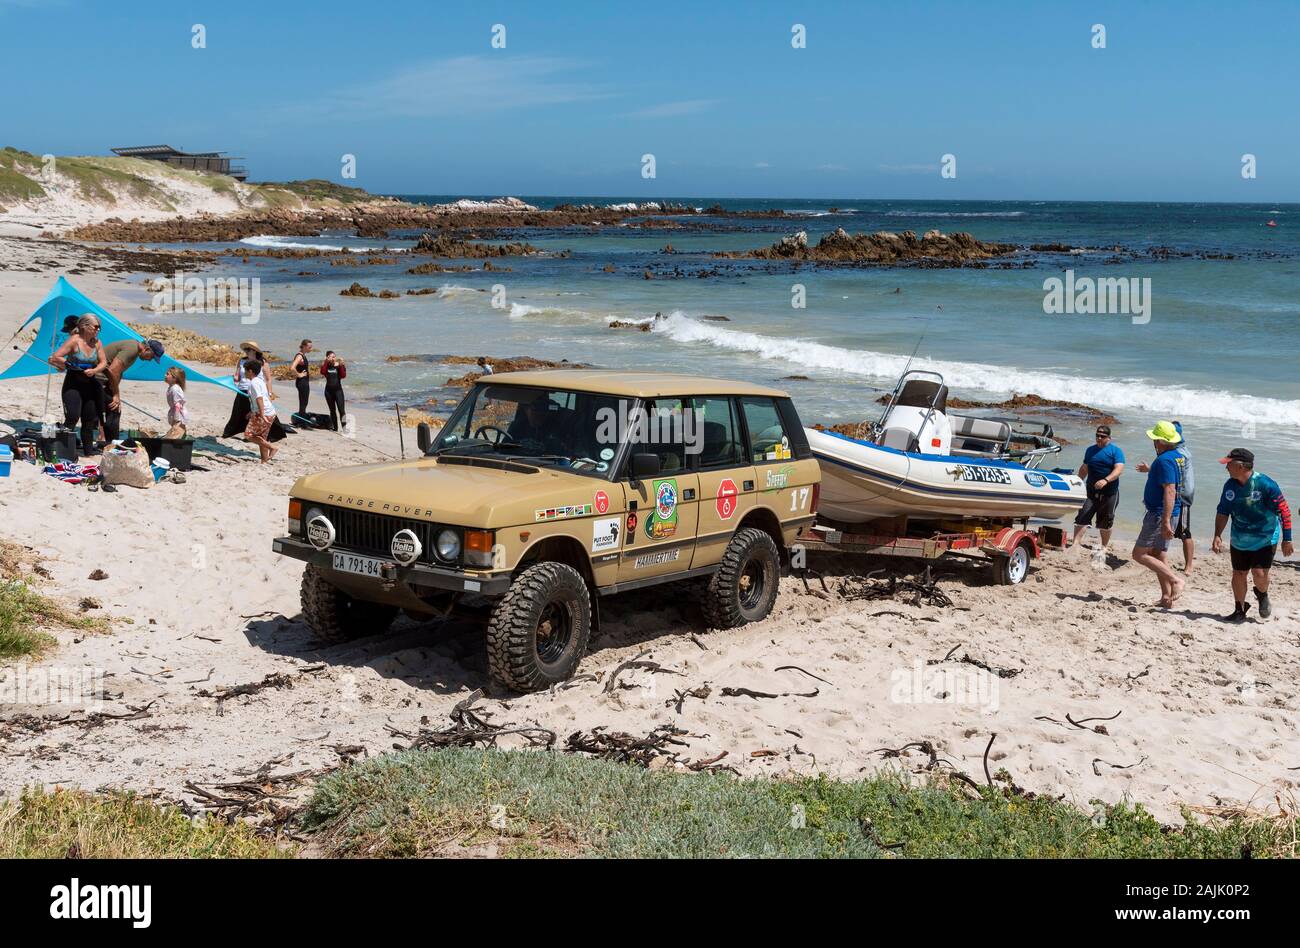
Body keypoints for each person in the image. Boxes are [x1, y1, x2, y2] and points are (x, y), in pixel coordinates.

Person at [1212, 448, 1293, 622]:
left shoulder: (1266, 485)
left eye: (1229, 464)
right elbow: (1223, 511)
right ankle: (1239, 609)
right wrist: (1217, 535)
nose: (1226, 467)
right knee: (1239, 574)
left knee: (1259, 574)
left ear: (1240, 466)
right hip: (1239, 537)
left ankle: (1262, 594)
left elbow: (1284, 511)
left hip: (1265, 536)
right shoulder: (1230, 485)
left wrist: (1287, 538)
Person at [1131, 420, 1186, 608]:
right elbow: (1169, 481)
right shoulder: (1176, 456)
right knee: (1158, 554)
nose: (1153, 442)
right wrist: (1151, 470)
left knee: (1139, 554)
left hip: (1160, 514)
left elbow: (1170, 489)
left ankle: (1175, 580)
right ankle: (1166, 598)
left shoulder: (1164, 460)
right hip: (1169, 512)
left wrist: (1165, 521)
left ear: (1161, 441)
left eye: (1155, 439)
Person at [49, 314, 107, 454]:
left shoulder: (97, 343)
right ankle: (59, 448)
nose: (98, 330)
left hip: (91, 384)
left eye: (99, 328)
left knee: (88, 420)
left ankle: (88, 454)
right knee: (72, 417)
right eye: (96, 327)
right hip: (73, 384)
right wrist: (69, 364)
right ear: (84, 326)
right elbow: (56, 356)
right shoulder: (74, 340)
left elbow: (103, 363)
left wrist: (94, 370)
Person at [97, 337, 165, 443]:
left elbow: (118, 372)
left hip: (102, 381)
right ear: (147, 349)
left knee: (110, 409)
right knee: (114, 410)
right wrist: (116, 394)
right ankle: (109, 442)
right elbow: (113, 370)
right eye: (151, 357)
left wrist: (114, 390)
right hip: (96, 379)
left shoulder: (133, 348)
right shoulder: (132, 349)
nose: (150, 360)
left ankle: (104, 438)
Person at [1068, 424, 1124, 550]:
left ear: (1109, 438)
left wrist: (1106, 480)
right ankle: (1075, 544)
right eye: (1097, 435)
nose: (1099, 438)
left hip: (1110, 492)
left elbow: (1119, 469)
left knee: (1106, 521)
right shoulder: (1090, 450)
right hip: (1090, 491)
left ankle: (1104, 547)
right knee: (1082, 515)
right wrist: (1077, 481)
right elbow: (1084, 468)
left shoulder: (1115, 451)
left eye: (1102, 436)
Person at [222, 341, 287, 443]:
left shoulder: (263, 363)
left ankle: (267, 435)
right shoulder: (242, 361)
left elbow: (268, 379)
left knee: (259, 411)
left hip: (257, 391)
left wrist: (270, 393)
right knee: (238, 413)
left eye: (248, 350)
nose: (246, 352)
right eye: (245, 350)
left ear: (254, 351)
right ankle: (235, 433)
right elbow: (237, 376)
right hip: (243, 390)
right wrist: (231, 380)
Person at [242, 358, 278, 463]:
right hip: (269, 412)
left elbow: (259, 399)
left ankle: (272, 447)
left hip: (264, 412)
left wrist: (261, 414)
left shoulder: (254, 383)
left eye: (245, 370)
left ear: (250, 371)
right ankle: (264, 460)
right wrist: (252, 411)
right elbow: (260, 398)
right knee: (262, 438)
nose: (244, 372)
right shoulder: (259, 381)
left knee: (248, 435)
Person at [1171, 420, 1195, 573]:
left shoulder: (1180, 453)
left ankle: (1189, 565)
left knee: (1185, 532)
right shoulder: (1179, 449)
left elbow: (1174, 471)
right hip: (1176, 495)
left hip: (1182, 497)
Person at [321, 351, 347, 432]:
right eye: (331, 356)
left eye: (334, 356)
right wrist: (325, 362)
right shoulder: (326, 365)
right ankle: (335, 428)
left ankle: (344, 428)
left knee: (341, 410)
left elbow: (343, 376)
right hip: (328, 392)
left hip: (338, 391)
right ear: (327, 357)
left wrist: (341, 365)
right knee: (332, 410)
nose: (333, 358)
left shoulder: (339, 366)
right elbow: (323, 372)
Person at [164, 366, 188, 440]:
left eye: (167, 374)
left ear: (174, 378)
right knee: (178, 432)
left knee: (177, 432)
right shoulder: (171, 387)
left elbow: (177, 404)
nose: (165, 375)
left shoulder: (175, 388)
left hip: (178, 414)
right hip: (174, 411)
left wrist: (176, 417)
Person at [291, 339, 313, 417]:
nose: (311, 349)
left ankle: (300, 419)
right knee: (303, 402)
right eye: (309, 347)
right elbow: (292, 368)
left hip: (303, 382)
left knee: (304, 402)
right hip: (302, 382)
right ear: (304, 346)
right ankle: (301, 421)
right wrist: (299, 374)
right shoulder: (300, 356)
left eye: (311, 347)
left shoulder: (302, 355)